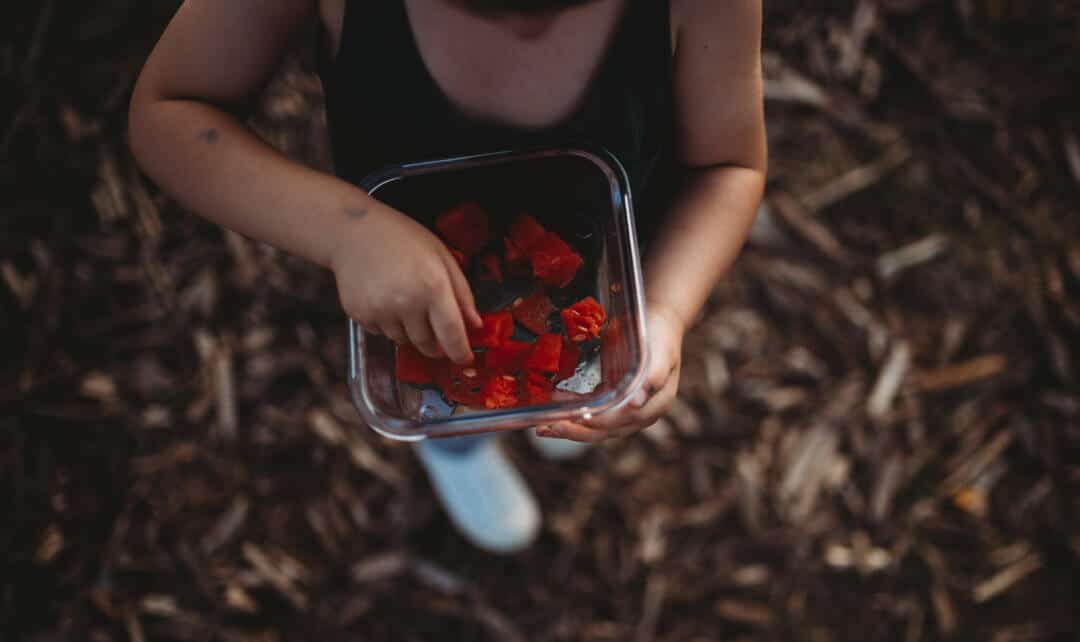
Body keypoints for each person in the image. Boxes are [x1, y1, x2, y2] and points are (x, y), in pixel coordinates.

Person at [128, 0, 766, 554]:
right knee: (445, 390)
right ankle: (456, 449)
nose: (528, 37)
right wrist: (346, 231)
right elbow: (169, 112)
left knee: (575, 379)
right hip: (404, 293)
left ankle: (564, 396)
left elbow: (728, 166)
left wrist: (664, 313)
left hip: (602, 282)